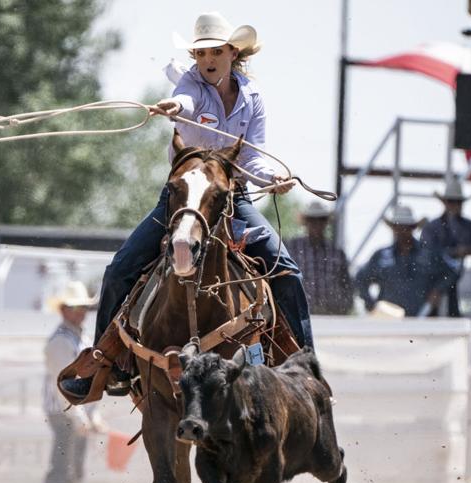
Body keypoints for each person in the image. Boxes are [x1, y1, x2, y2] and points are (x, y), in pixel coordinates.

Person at [65, 11, 312, 403]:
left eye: (215, 51)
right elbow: (185, 100)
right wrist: (174, 107)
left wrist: (272, 178)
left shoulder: (252, 97)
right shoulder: (190, 83)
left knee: (287, 271)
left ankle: (305, 369)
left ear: (233, 53)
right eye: (200, 53)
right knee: (119, 270)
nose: (207, 59)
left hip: (231, 198)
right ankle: (105, 363)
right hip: (183, 199)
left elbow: (253, 156)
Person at [42, 281, 107, 483]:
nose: (81, 312)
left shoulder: (78, 338)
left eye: (83, 307)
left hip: (72, 412)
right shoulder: (61, 341)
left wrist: (92, 415)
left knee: (72, 470)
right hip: (63, 413)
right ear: (64, 310)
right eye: (75, 307)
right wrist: (80, 417)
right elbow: (62, 385)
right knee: (62, 469)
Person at [355, 204, 458, 317]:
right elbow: (360, 279)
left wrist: (437, 291)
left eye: (405, 227)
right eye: (397, 227)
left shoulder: (429, 254)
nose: (401, 231)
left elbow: (451, 273)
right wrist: (371, 305)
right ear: (393, 228)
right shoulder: (381, 256)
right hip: (389, 320)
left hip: (421, 318)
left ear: (412, 228)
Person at [284, 198, 354, 315]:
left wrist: (343, 307)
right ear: (306, 222)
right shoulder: (292, 248)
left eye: (321, 219)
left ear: (326, 222)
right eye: (312, 220)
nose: (316, 224)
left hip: (331, 314)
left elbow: (347, 285)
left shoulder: (336, 253)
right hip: (301, 313)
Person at [420, 181, 471, 317]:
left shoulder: (469, 226)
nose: (455, 205)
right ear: (445, 202)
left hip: (456, 278)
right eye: (451, 201)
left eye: (458, 202)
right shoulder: (432, 227)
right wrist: (454, 252)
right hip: (434, 278)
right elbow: (427, 253)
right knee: (432, 314)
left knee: (453, 311)